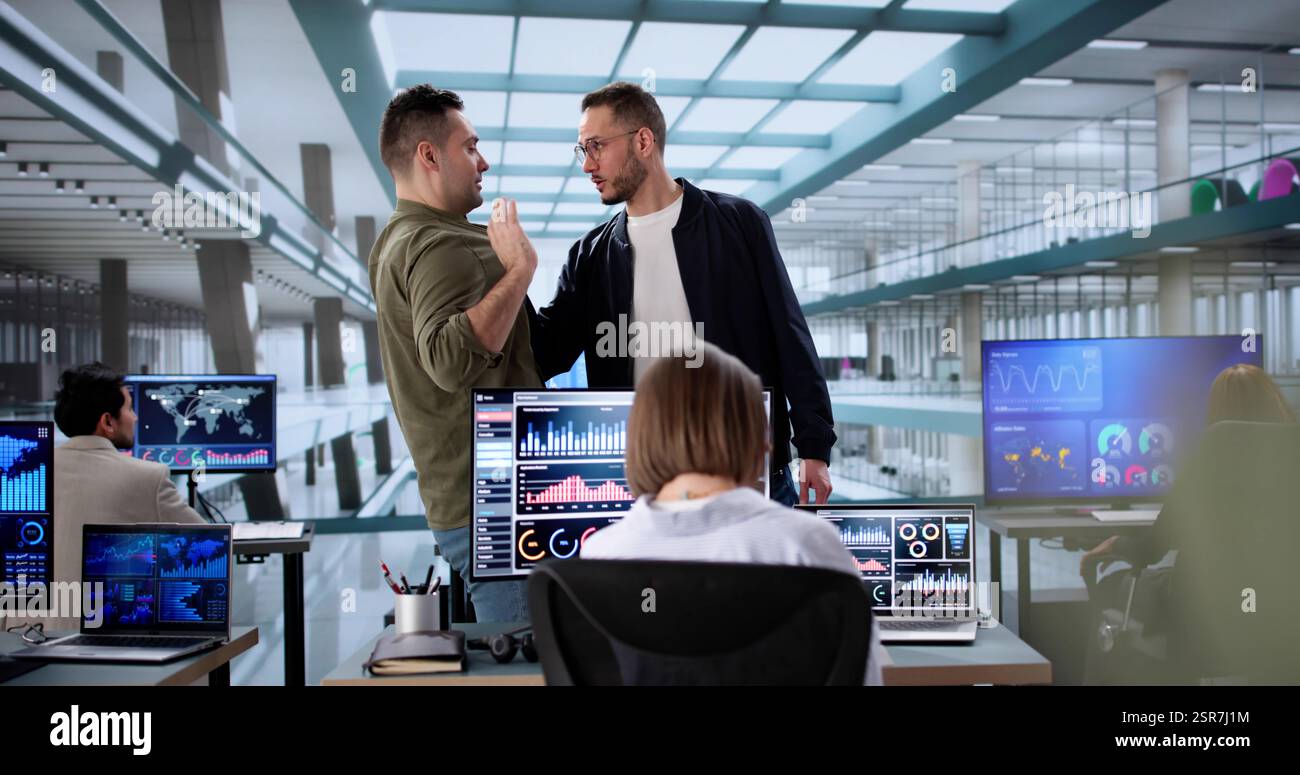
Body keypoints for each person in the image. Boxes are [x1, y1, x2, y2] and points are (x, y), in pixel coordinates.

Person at [530, 81, 836, 507]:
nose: (587, 165)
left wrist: (815, 446)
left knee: (768, 576)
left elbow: (789, 335)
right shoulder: (590, 256)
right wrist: (512, 273)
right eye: (583, 150)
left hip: (750, 473)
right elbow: (547, 354)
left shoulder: (739, 223)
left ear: (642, 140)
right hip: (648, 487)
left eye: (596, 146)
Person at [580, 342, 884, 684]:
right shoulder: (806, 546)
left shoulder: (598, 556)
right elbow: (864, 677)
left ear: (640, 438)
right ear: (758, 437)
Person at [368, 85, 542, 621]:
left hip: (472, 502)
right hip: (495, 504)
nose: (483, 160)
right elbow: (448, 360)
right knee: (526, 671)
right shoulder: (436, 246)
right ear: (428, 155)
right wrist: (520, 270)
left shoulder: (399, 238)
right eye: (470, 146)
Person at [1080, 363, 1296, 574]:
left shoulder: (1206, 466)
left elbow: (1148, 551)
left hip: (1206, 603)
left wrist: (1114, 543)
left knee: (1112, 585)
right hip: (1282, 602)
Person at [46, 362, 205, 629]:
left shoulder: (24, 473)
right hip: (102, 634)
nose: (135, 418)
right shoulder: (147, 478)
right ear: (107, 421)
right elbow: (207, 542)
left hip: (21, 638)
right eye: (130, 408)